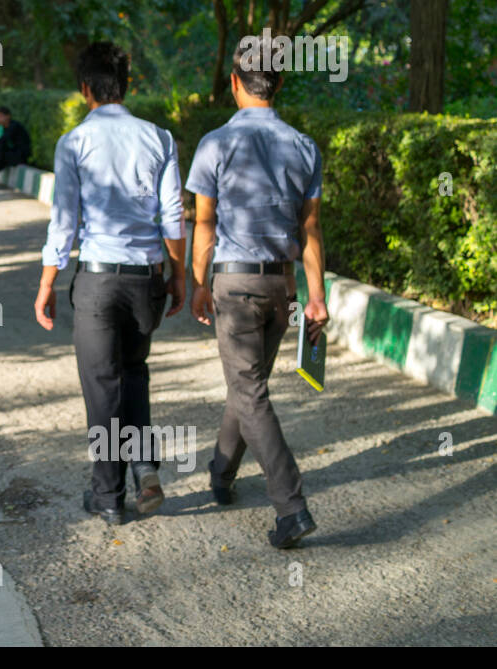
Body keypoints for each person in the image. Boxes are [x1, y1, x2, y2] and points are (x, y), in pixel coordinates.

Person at [34, 42, 186, 525]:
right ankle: (143, 464)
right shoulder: (159, 138)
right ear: (127, 85)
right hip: (147, 281)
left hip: (98, 284)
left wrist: (47, 284)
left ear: (85, 90)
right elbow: (174, 216)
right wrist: (179, 274)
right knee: (134, 375)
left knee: (103, 389)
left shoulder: (75, 143)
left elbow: (64, 222)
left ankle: (107, 495)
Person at [187, 35, 328, 549]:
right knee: (246, 385)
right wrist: (315, 295)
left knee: (250, 390)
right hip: (281, 287)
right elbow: (310, 230)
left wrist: (198, 284)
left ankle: (292, 508)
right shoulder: (304, 146)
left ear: (234, 82)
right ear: (280, 83)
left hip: (235, 283)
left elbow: (203, 224)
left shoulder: (215, 143)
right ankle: (222, 474)